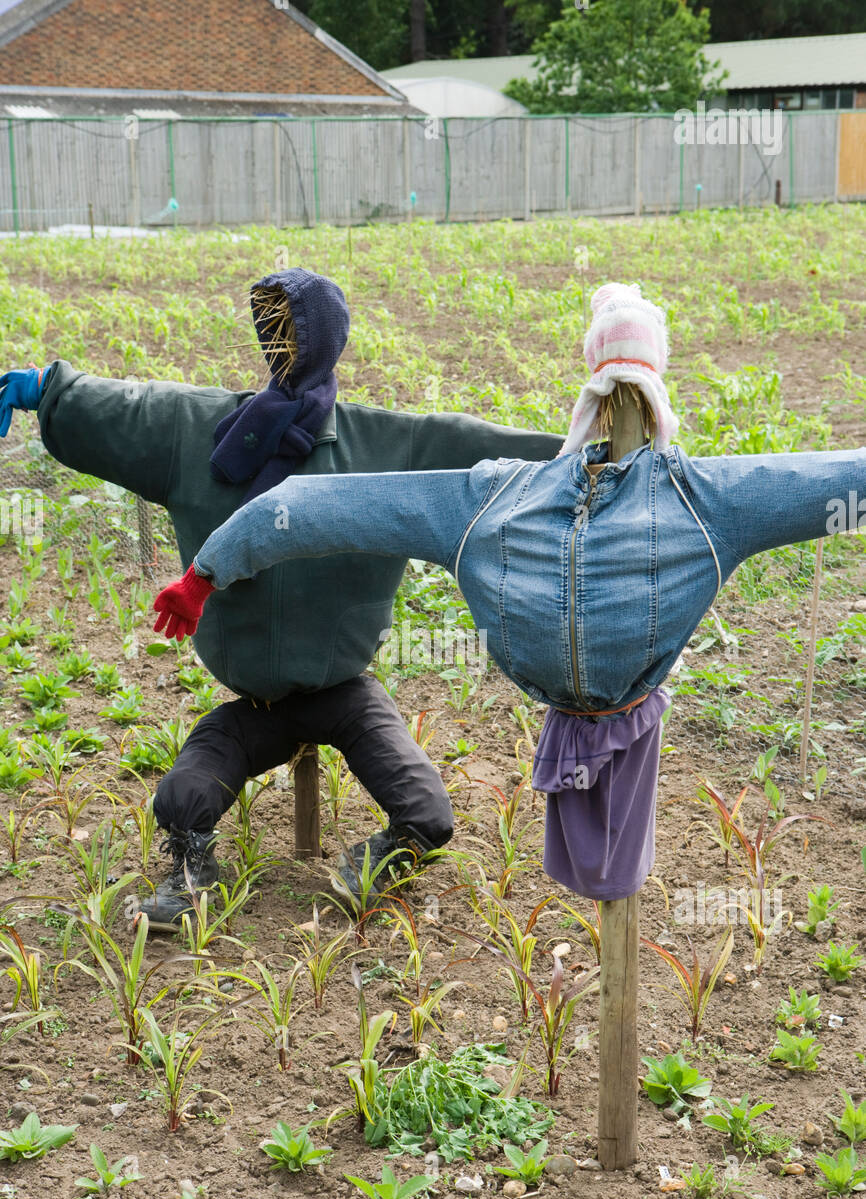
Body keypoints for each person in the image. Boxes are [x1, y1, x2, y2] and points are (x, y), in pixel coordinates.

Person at [152, 282, 866, 902]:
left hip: (552, 673)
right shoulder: (706, 498)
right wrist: (208, 572)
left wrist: (206, 572)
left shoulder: (495, 494)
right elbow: (835, 482)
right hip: (627, 683)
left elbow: (322, 506)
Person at [0, 269, 564, 923]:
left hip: (346, 692)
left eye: (293, 325)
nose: (280, 339)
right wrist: (48, 391)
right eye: (268, 323)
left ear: (328, 339)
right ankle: (189, 880)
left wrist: (590, 455)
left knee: (427, 814)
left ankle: (372, 866)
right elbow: (131, 409)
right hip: (255, 704)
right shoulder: (208, 433)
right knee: (182, 798)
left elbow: (493, 453)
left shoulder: (387, 445)